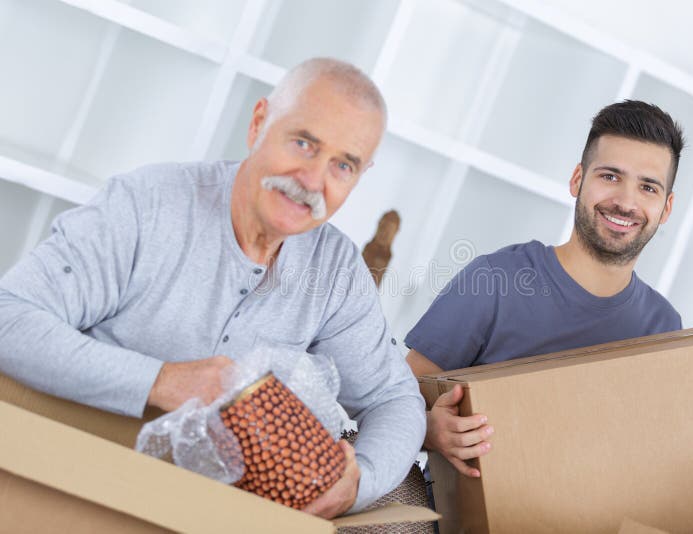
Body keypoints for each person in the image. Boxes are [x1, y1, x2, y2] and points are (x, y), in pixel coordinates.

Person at [0, 57, 425, 518]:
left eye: (342, 165)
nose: (312, 180)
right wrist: (162, 381)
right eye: (304, 143)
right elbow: (10, 315)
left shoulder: (335, 270)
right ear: (258, 123)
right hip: (59, 485)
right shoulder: (148, 204)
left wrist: (359, 480)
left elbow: (394, 399)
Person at [405, 100, 684, 479]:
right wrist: (429, 431)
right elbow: (395, 398)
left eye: (648, 187)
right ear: (577, 180)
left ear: (666, 208)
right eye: (610, 177)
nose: (626, 202)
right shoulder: (496, 279)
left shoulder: (664, 328)